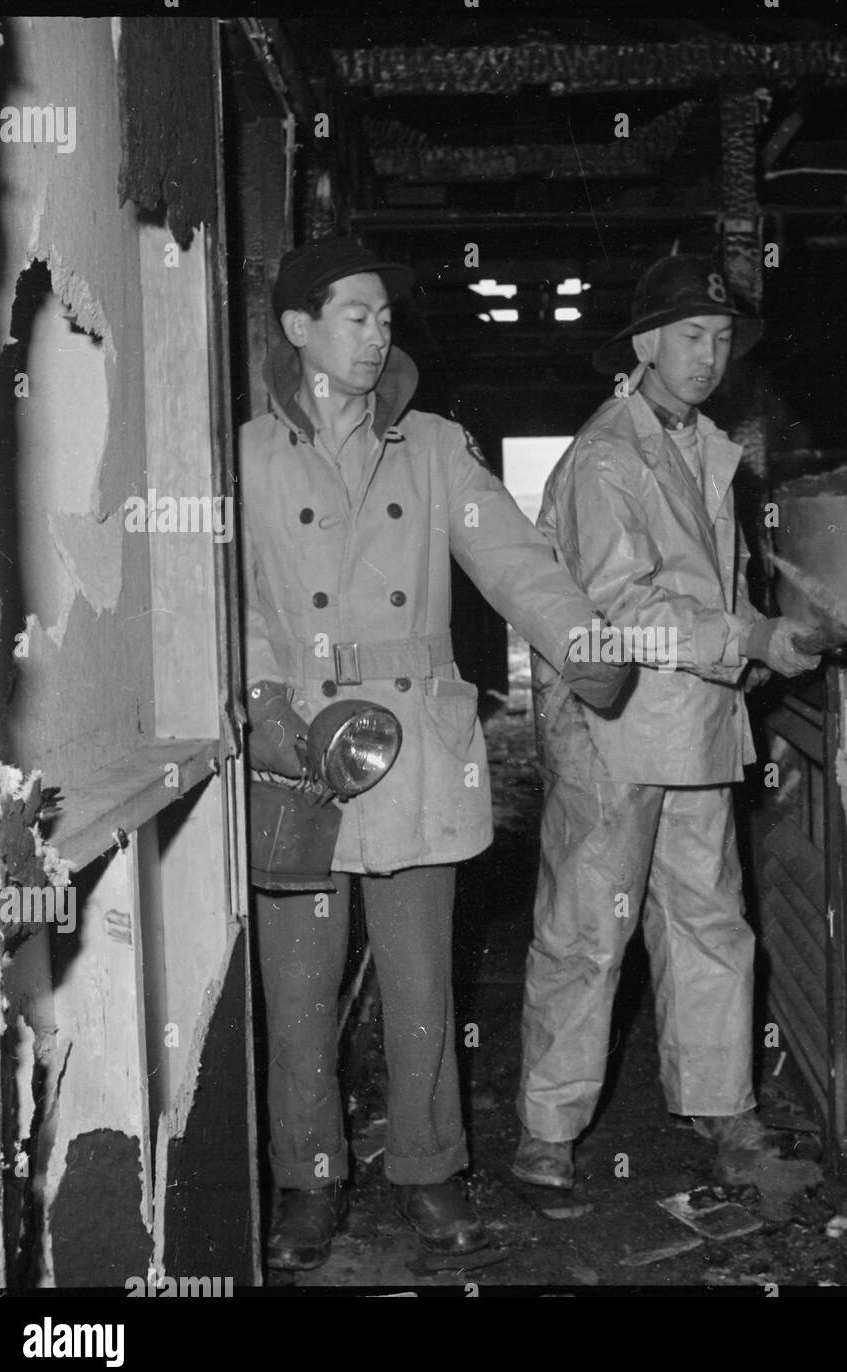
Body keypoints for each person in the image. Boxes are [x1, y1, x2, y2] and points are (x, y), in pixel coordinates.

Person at [239, 238, 625, 1271]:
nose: (378, 333)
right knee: (300, 991)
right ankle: (307, 1180)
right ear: (297, 329)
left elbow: (514, 558)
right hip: (300, 754)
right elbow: (222, 603)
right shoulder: (239, 458)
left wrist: (580, 639)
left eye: (384, 317)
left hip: (412, 751)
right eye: (357, 314)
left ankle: (429, 1170)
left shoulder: (434, 446)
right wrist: (262, 700)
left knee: (420, 988)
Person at [512, 253, 820, 1193]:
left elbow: (717, 586)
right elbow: (624, 610)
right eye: (690, 337)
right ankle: (549, 1129)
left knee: (710, 924)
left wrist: (757, 658)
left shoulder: (703, 448)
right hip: (614, 729)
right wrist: (752, 636)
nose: (708, 356)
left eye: (722, 340)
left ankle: (725, 1114)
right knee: (585, 929)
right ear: (646, 344)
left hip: (693, 727)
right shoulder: (608, 458)